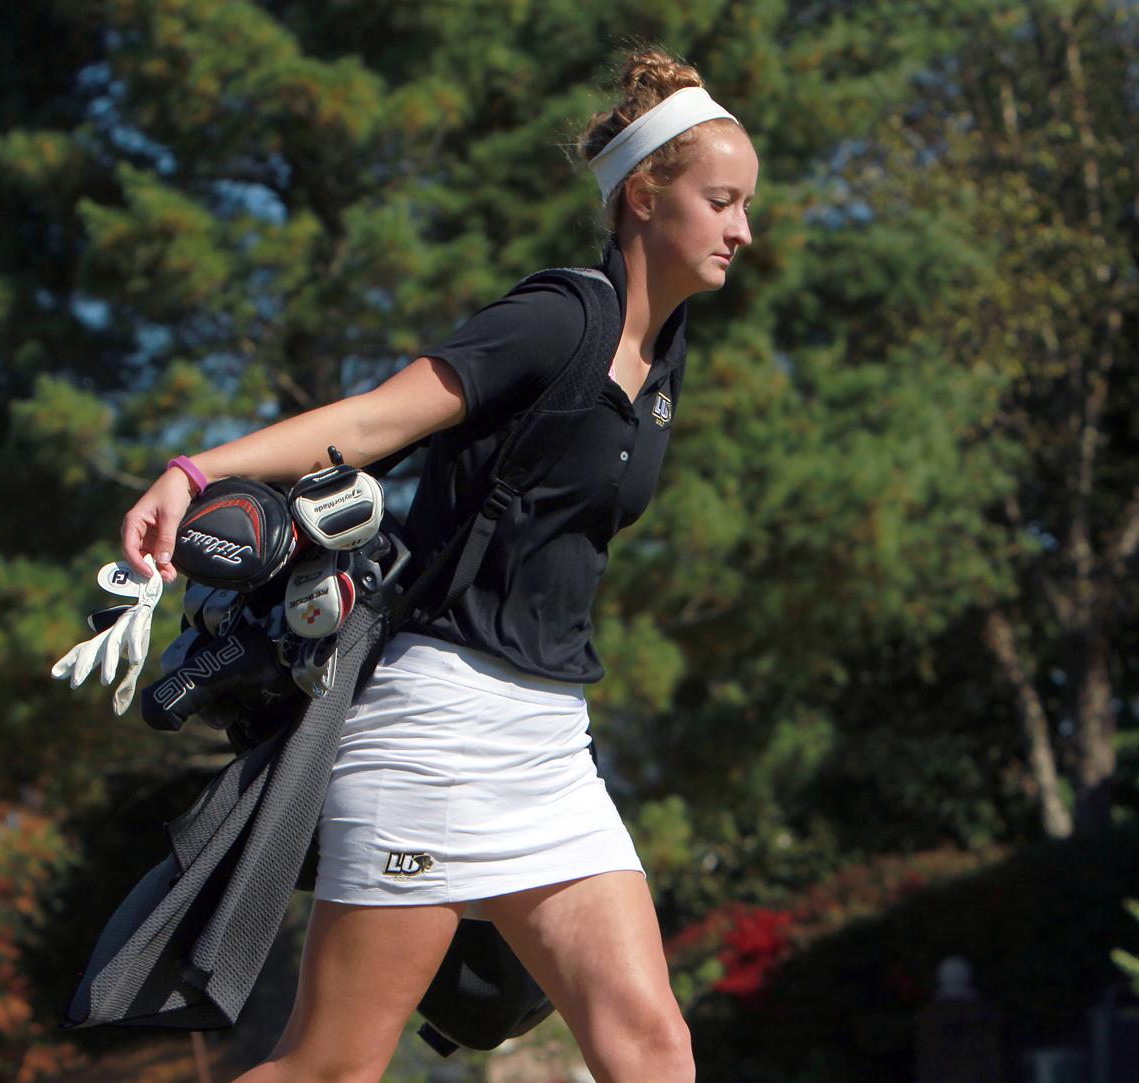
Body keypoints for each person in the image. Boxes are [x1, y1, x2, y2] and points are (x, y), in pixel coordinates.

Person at [120, 47, 757, 1083]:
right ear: (644, 195)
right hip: (433, 733)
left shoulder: (665, 351)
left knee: (652, 1047)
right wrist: (193, 472)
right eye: (721, 201)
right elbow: (373, 418)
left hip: (550, 743)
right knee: (329, 1067)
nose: (742, 230)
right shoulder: (558, 318)